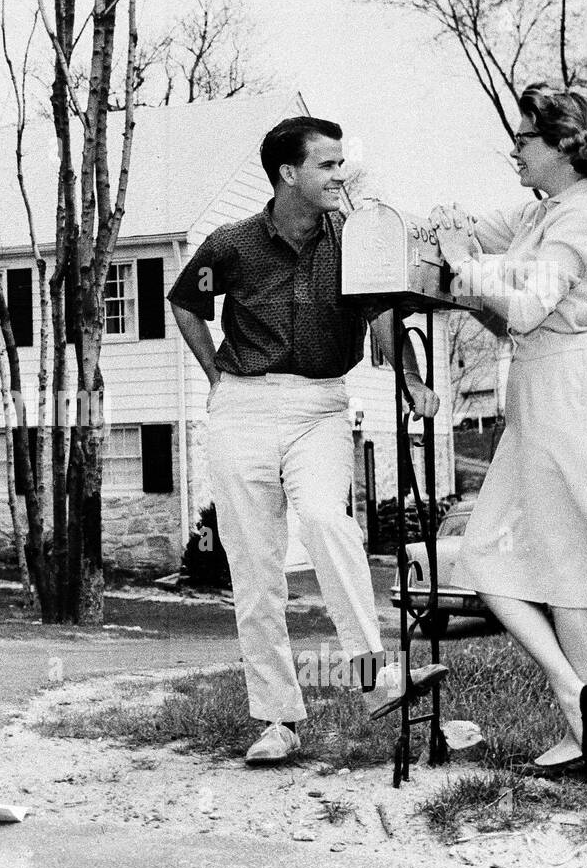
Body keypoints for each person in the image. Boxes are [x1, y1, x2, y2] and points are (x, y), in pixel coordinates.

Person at [168, 115, 449, 765]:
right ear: (288, 173)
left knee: (327, 520)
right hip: (242, 408)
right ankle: (277, 719)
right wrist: (216, 376)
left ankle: (377, 674)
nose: (340, 174)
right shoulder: (233, 246)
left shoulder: (357, 239)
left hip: (320, 406)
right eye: (327, 164)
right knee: (257, 569)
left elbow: (382, 315)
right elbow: (188, 302)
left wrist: (406, 376)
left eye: (342, 162)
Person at [429, 82, 587, 783]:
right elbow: (476, 233)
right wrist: (447, 230)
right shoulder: (545, 212)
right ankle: (585, 715)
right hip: (542, 386)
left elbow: (522, 304)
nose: (514, 147)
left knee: (566, 564)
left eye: (526, 138)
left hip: (569, 383)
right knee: (496, 557)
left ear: (566, 146)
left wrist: (462, 264)